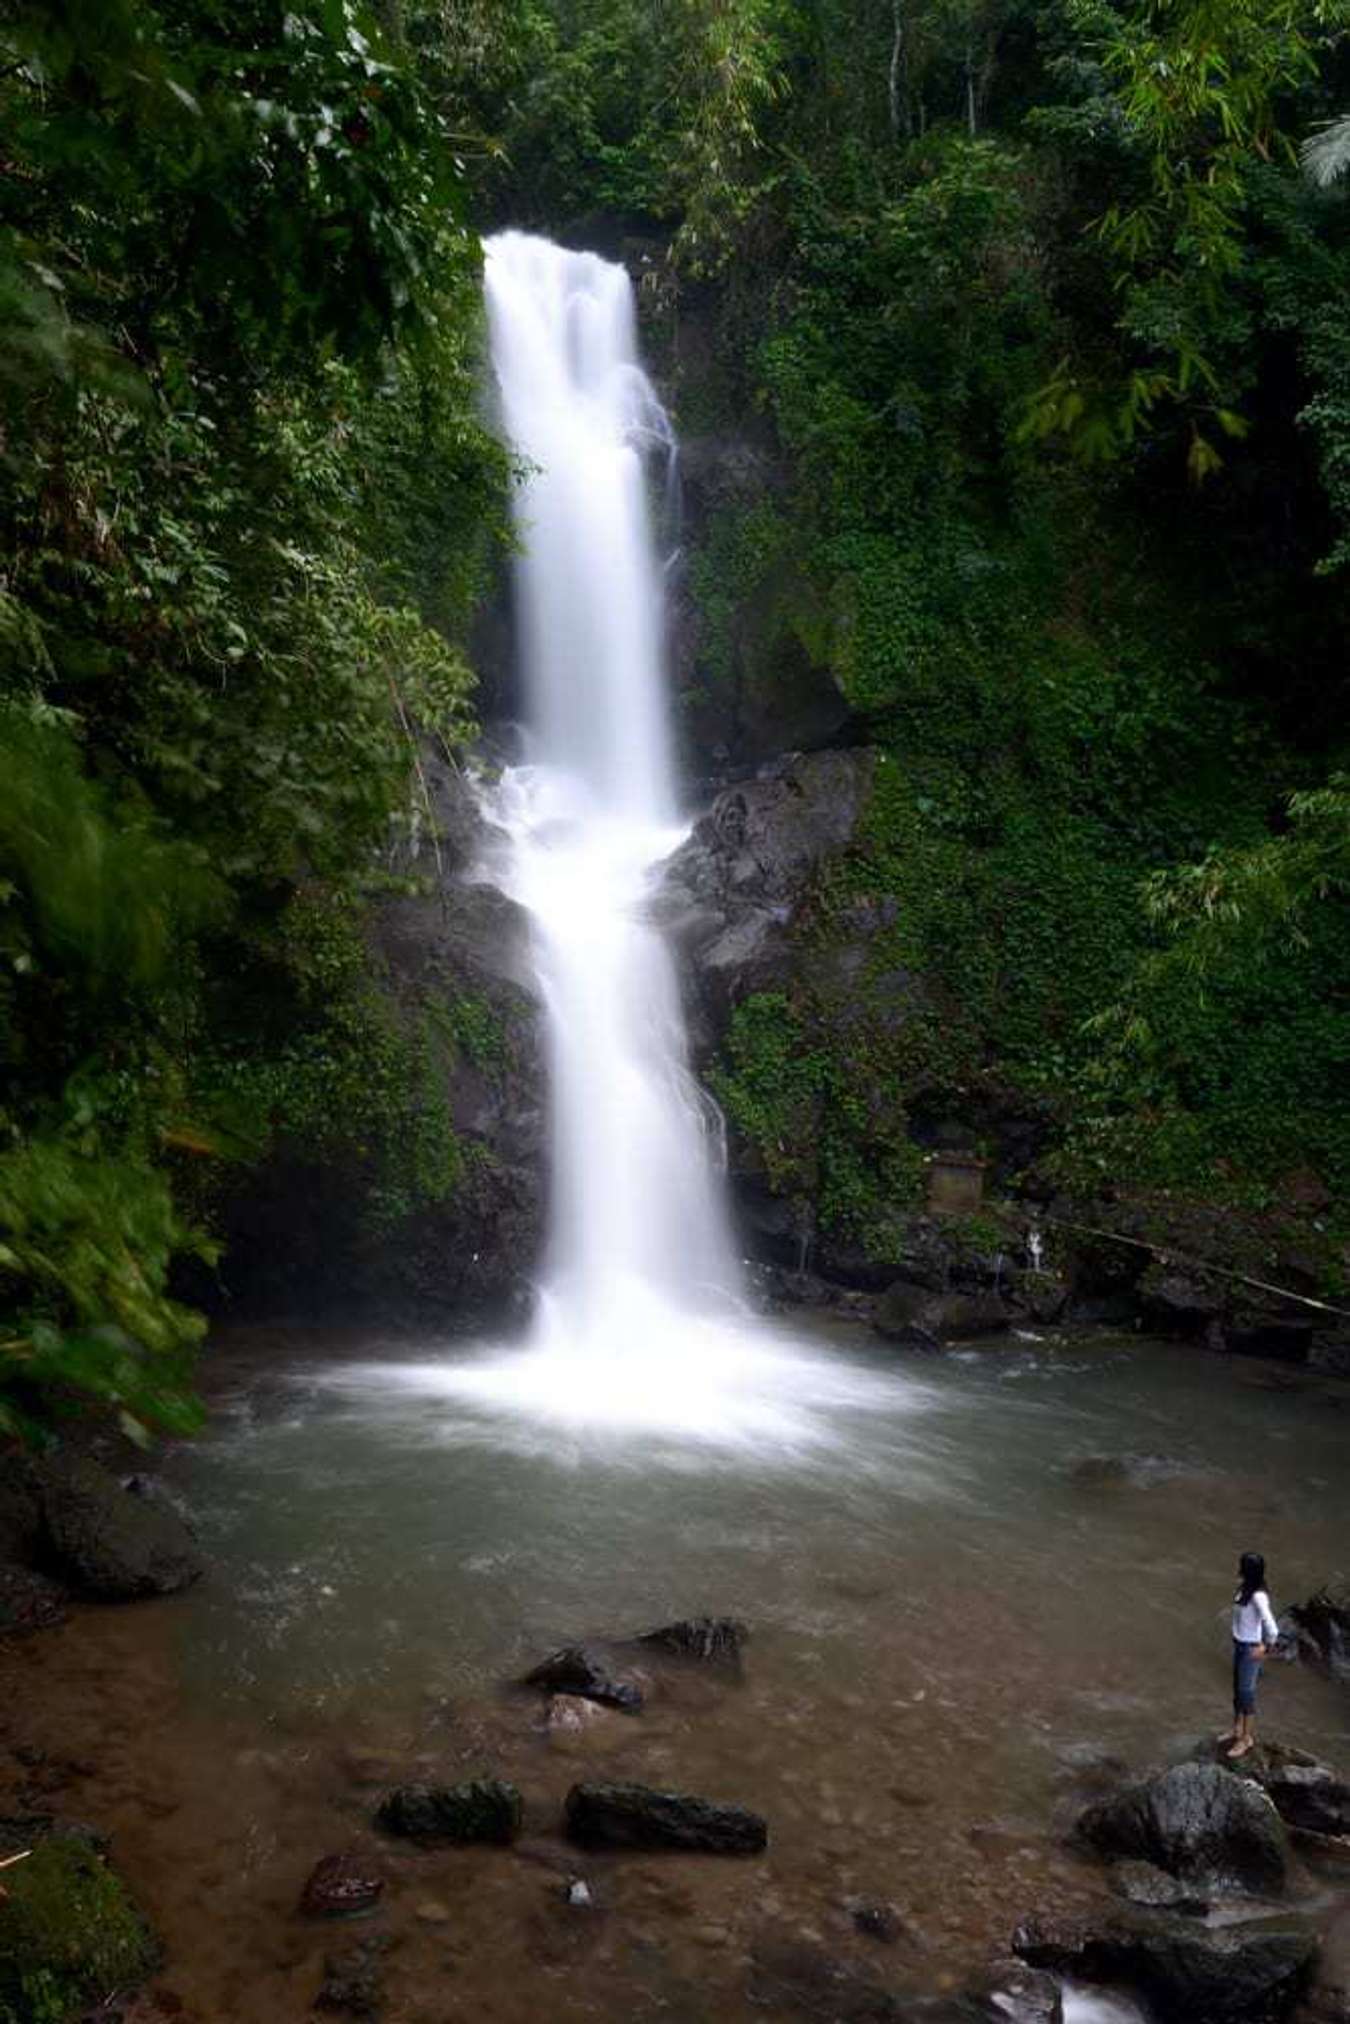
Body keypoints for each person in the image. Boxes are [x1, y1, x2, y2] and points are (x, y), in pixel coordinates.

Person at [1223, 1550, 1279, 1758]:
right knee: (1237, 1691)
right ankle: (1236, 1728)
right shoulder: (1245, 1589)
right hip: (1239, 1645)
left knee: (1246, 1695)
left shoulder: (1258, 1595)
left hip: (1249, 1648)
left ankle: (1246, 1739)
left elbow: (1271, 1626)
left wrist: (1266, 1647)